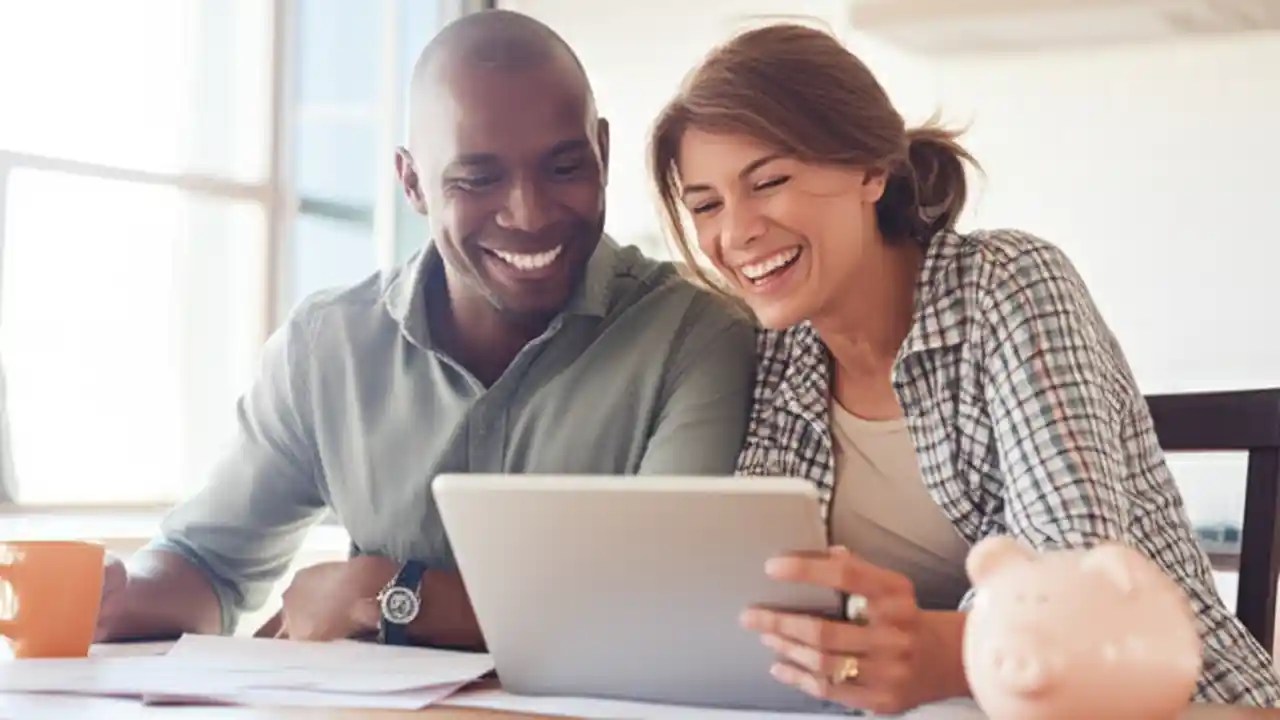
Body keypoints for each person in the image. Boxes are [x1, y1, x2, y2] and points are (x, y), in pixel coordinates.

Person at [649, 23, 1280, 713]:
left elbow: (1071, 577)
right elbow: (779, 602)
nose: (734, 233)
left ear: (869, 169)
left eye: (768, 181)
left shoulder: (1007, 286)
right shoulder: (774, 357)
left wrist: (938, 652)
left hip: (1163, 703)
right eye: (705, 204)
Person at [95, 9, 754, 649]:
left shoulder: (697, 339)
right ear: (412, 182)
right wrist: (114, 595)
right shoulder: (329, 349)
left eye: (563, 168)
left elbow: (668, 607)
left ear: (603, 154)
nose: (528, 214)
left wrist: (388, 593)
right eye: (477, 178)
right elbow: (206, 563)